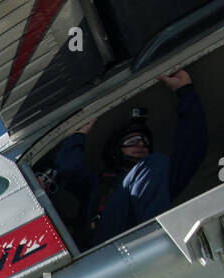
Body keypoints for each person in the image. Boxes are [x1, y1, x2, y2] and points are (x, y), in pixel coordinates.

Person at [51, 69, 207, 249]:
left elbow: (194, 146)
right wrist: (78, 135)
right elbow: (67, 167)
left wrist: (185, 91)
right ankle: (156, 241)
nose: (141, 145)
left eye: (144, 142)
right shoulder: (96, 183)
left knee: (157, 163)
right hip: (106, 245)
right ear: (115, 151)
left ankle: (156, 239)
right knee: (155, 163)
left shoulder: (158, 179)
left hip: (140, 244)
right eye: (132, 141)